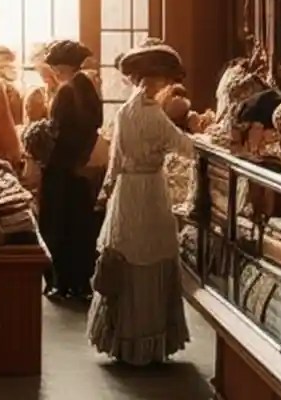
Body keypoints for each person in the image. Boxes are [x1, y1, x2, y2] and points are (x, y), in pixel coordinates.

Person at [88, 41, 193, 365]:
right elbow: (185, 148)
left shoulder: (124, 111)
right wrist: (207, 139)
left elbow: (115, 160)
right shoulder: (154, 115)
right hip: (150, 191)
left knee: (128, 257)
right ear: (156, 80)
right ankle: (146, 345)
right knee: (151, 259)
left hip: (126, 191)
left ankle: (123, 339)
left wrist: (106, 191)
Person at [39, 39, 104, 300]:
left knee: (57, 225)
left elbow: (57, 131)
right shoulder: (87, 87)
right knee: (80, 225)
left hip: (61, 166)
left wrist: (43, 145)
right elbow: (94, 125)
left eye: (55, 67)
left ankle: (60, 281)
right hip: (79, 166)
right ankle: (79, 282)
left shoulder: (67, 91)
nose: (54, 72)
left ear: (64, 67)